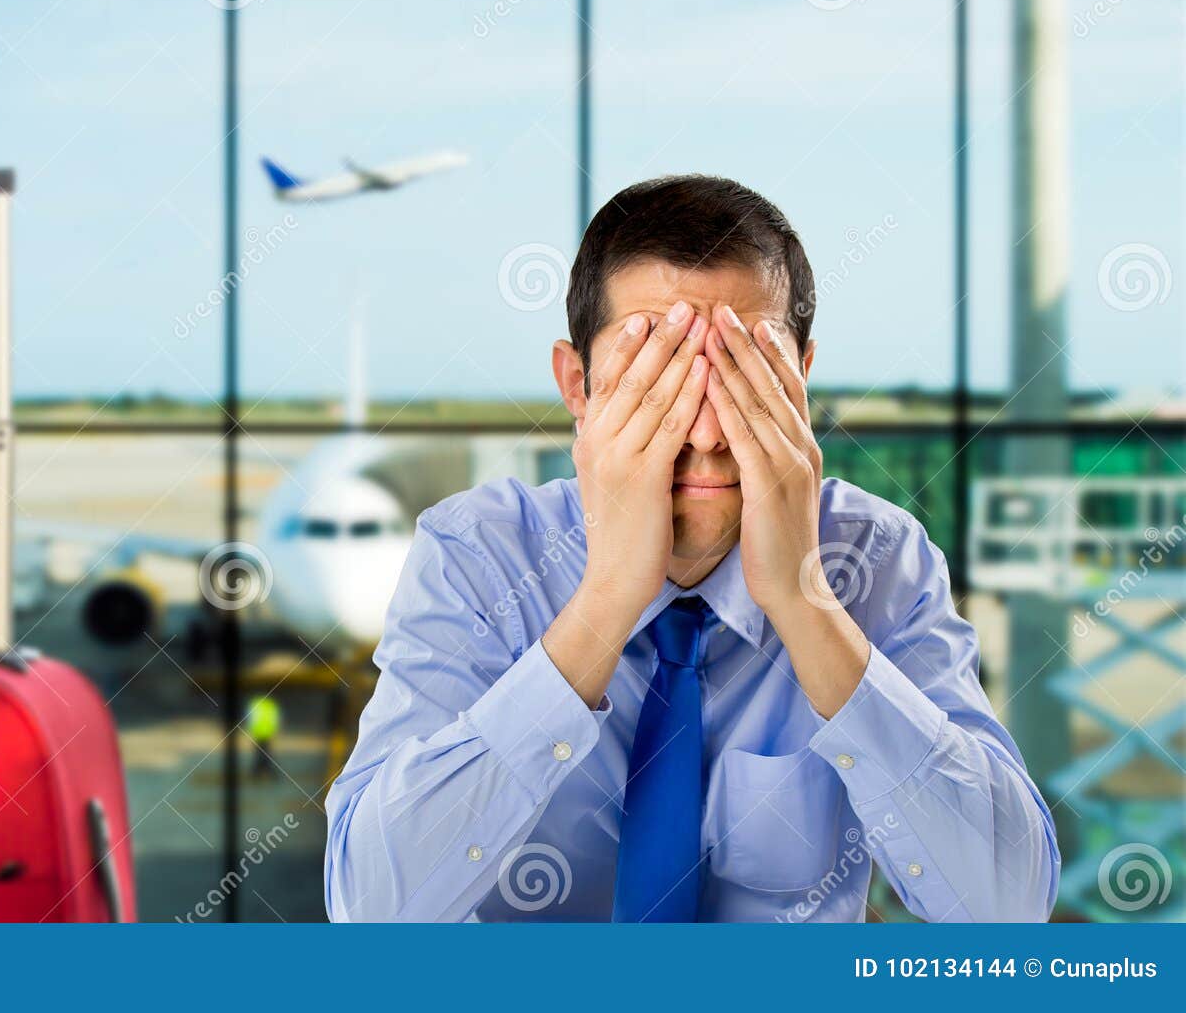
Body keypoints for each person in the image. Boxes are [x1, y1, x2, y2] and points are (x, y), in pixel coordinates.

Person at [323, 175, 1060, 922]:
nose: (707, 437)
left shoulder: (878, 561)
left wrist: (809, 609)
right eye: (660, 379)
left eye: (743, 379)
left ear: (798, 382)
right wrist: (605, 601)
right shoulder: (478, 556)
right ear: (577, 384)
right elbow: (372, 910)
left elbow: (1006, 910)